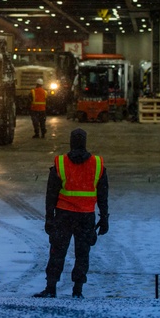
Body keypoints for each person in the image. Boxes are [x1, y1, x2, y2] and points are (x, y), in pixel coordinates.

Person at [34, 128, 108, 299]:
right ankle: (77, 290)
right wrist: (104, 217)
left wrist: (49, 217)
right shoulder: (97, 164)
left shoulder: (61, 163)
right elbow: (103, 195)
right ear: (85, 142)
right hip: (86, 216)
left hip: (63, 215)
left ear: (71, 142)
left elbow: (51, 194)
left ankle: (51, 288)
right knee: (82, 253)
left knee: (57, 252)